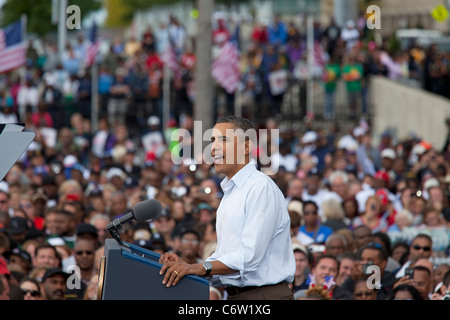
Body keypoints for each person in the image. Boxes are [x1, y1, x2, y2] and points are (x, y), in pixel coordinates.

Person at [159, 116, 295, 300]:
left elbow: (250, 256)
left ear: (246, 147)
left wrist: (199, 267)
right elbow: (229, 254)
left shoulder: (260, 187)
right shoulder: (231, 192)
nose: (213, 148)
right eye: (212, 140)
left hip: (264, 296)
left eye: (223, 140)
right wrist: (189, 266)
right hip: (237, 295)